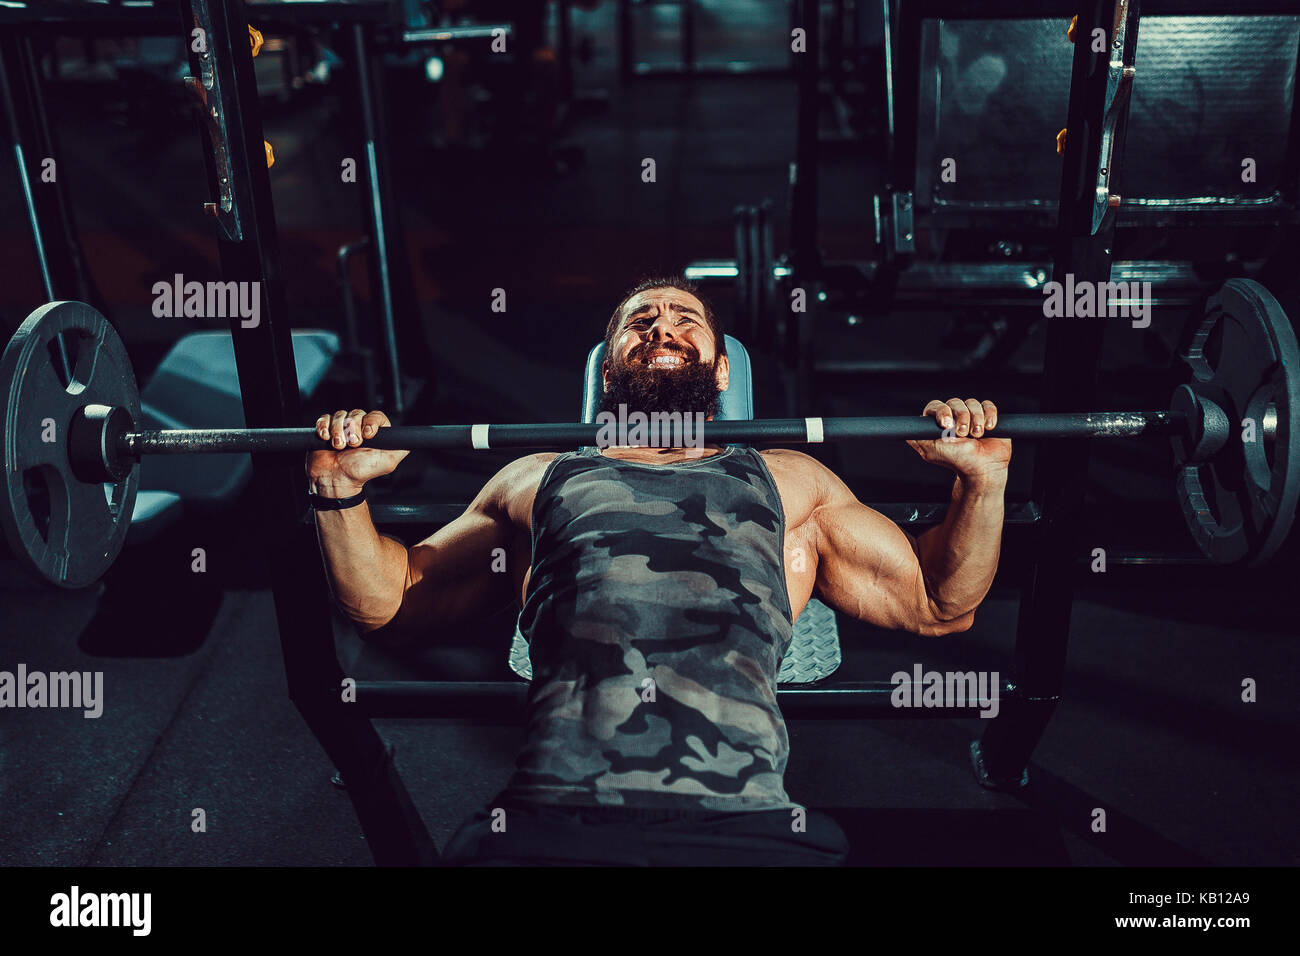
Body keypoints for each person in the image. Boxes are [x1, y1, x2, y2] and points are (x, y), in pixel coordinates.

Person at [307, 276, 1010, 866]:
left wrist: (982, 483)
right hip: (553, 824)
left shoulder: (792, 482)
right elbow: (388, 603)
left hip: (743, 827)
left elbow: (938, 603)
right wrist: (339, 491)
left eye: (684, 319)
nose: (661, 328)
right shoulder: (537, 479)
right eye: (639, 320)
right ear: (608, 369)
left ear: (723, 369)